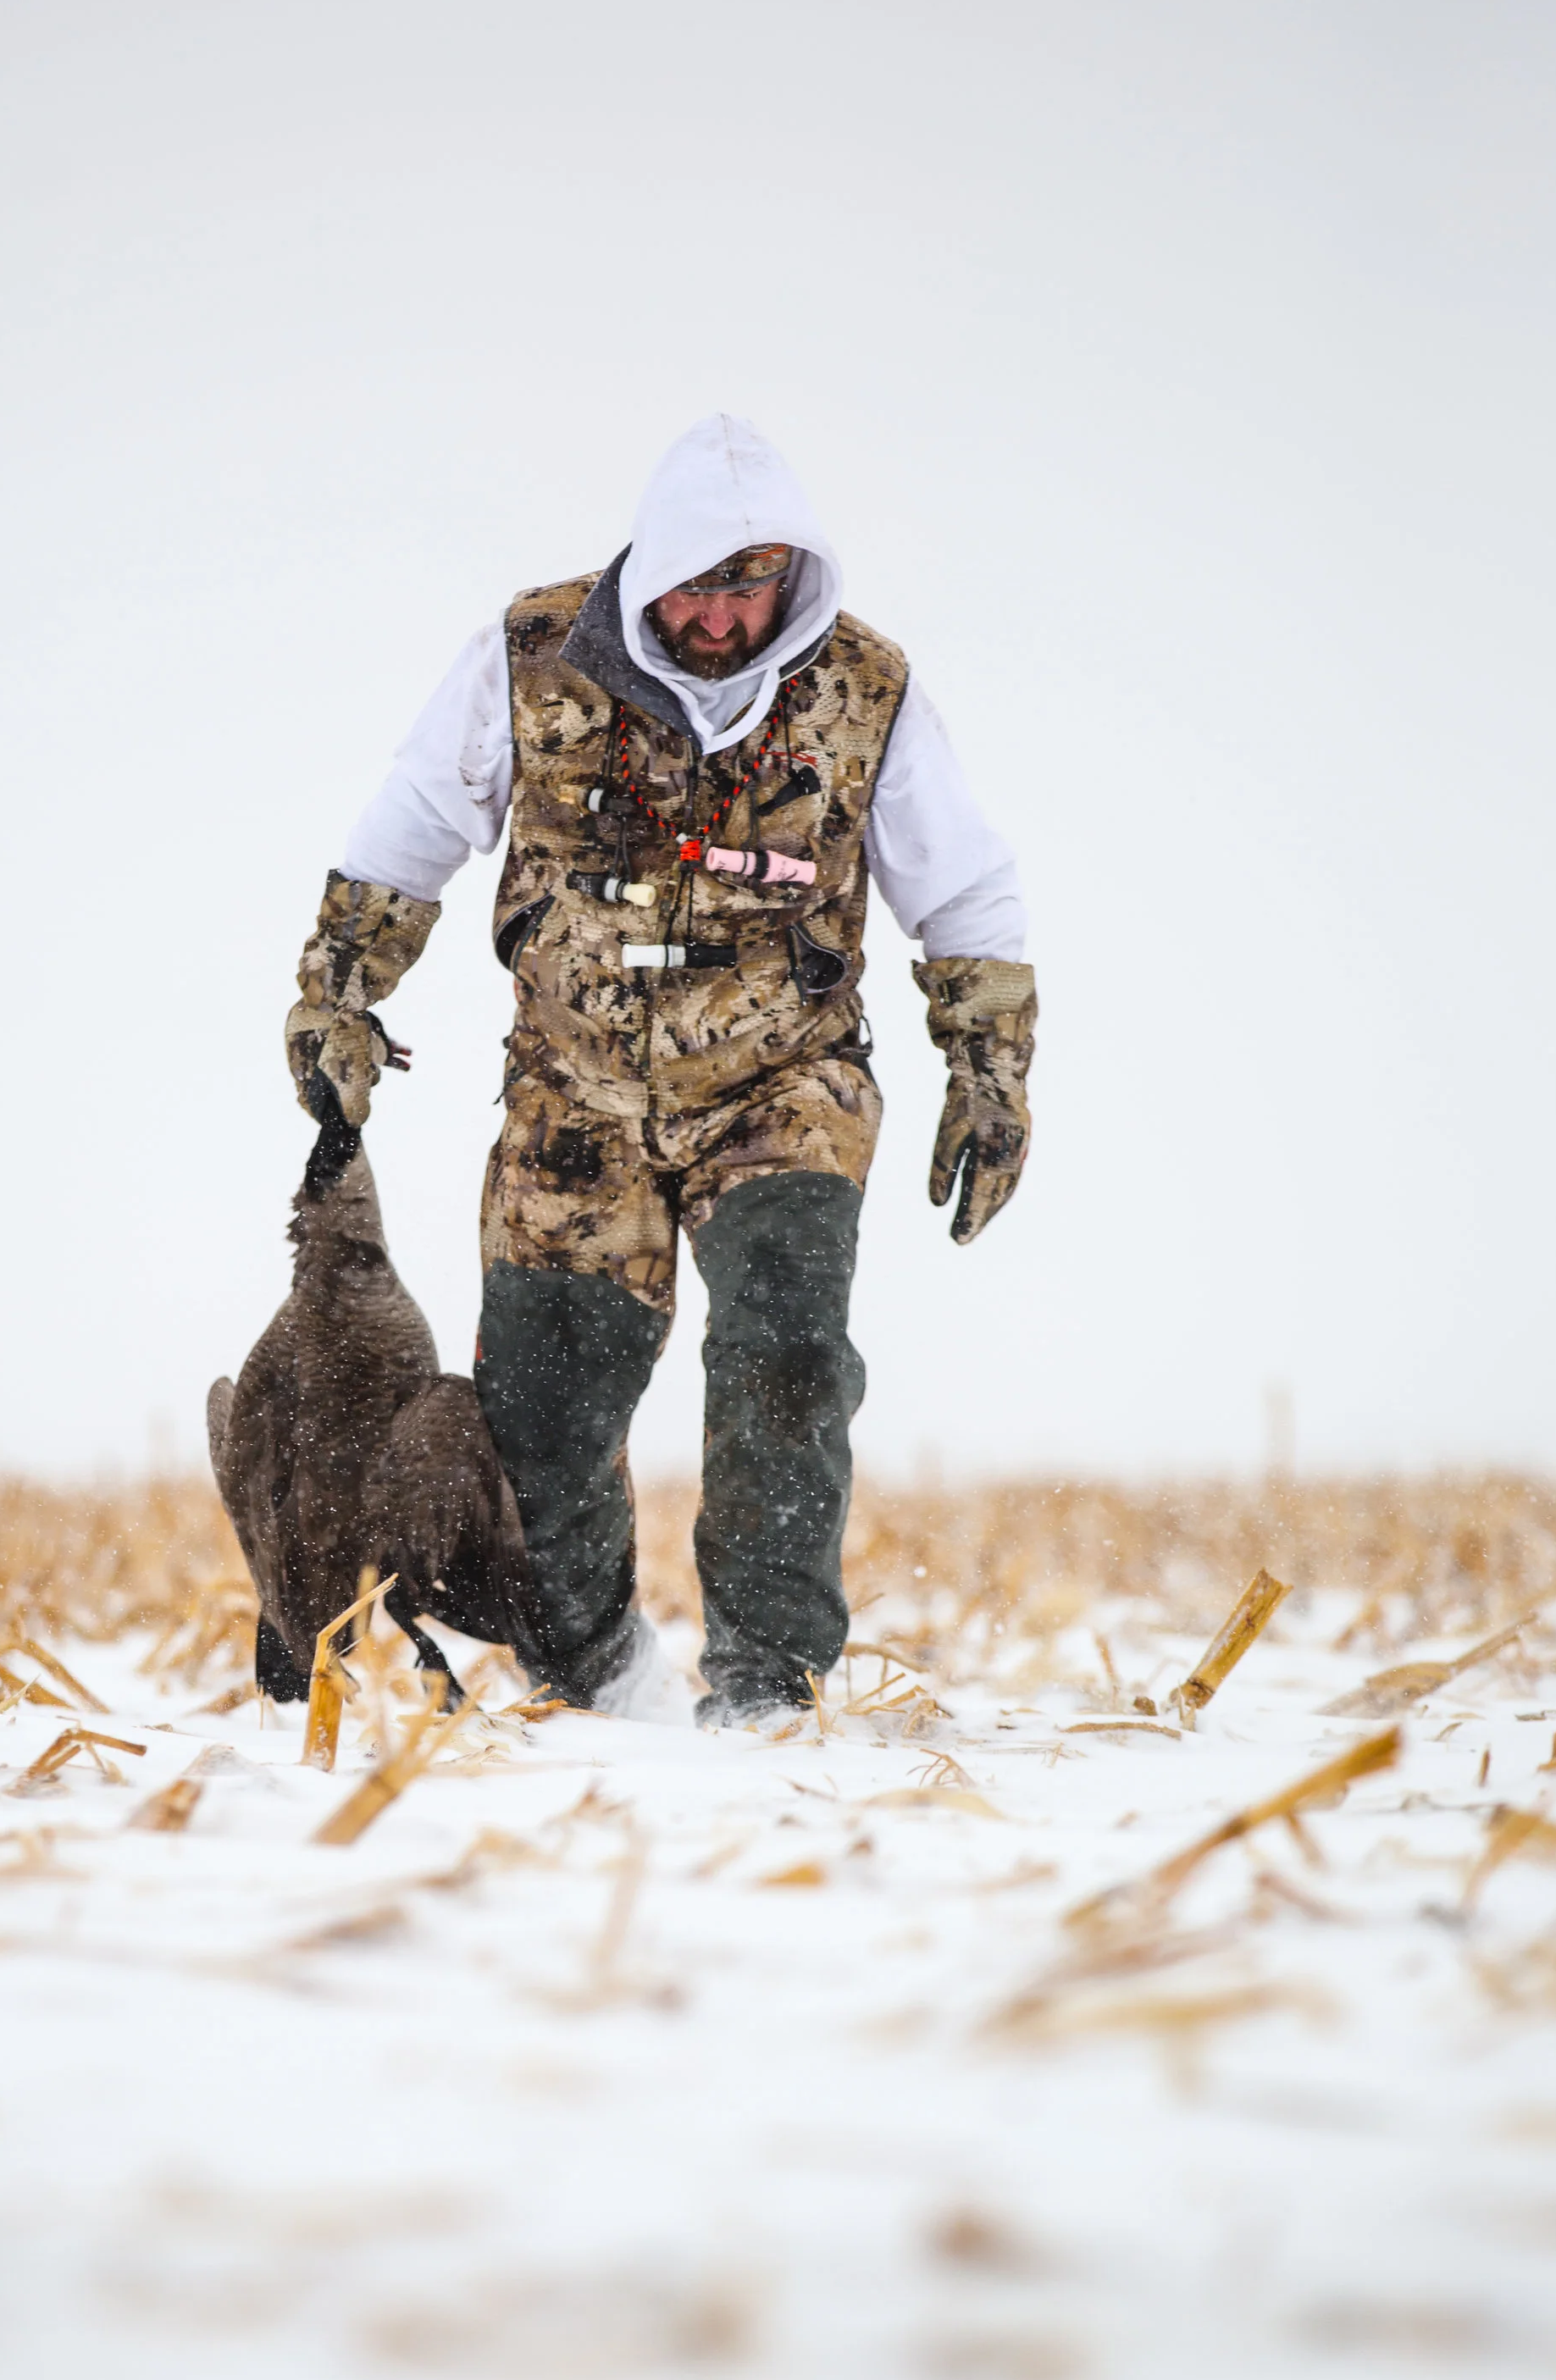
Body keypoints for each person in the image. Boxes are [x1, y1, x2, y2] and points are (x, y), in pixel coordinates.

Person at [284, 414, 1033, 1729]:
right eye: (695, 586)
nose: (720, 616)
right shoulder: (528, 660)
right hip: (575, 1096)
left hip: (783, 1090)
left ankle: (768, 1690)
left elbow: (962, 883)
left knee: (786, 1362)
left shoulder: (867, 694)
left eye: (748, 588)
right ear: (648, 576)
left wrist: (989, 1066)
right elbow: (415, 816)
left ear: (789, 581)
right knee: (544, 1413)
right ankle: (598, 1692)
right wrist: (340, 989)